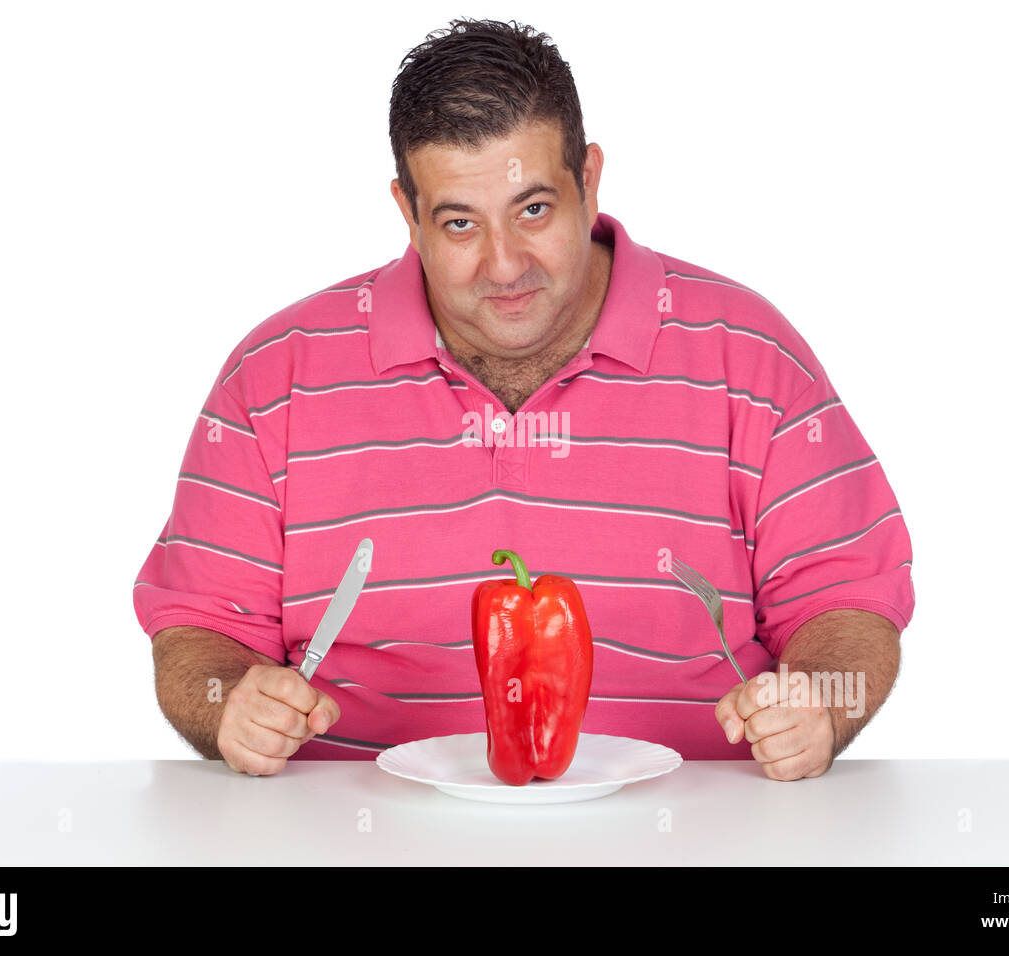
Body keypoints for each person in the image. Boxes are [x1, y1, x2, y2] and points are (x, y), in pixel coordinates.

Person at [133, 18, 915, 781]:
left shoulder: (747, 352)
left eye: (533, 209)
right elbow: (199, 627)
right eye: (459, 223)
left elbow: (845, 598)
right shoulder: (276, 377)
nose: (505, 267)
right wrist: (231, 700)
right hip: (359, 840)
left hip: (691, 834)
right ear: (408, 214)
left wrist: (815, 702)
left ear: (589, 179)